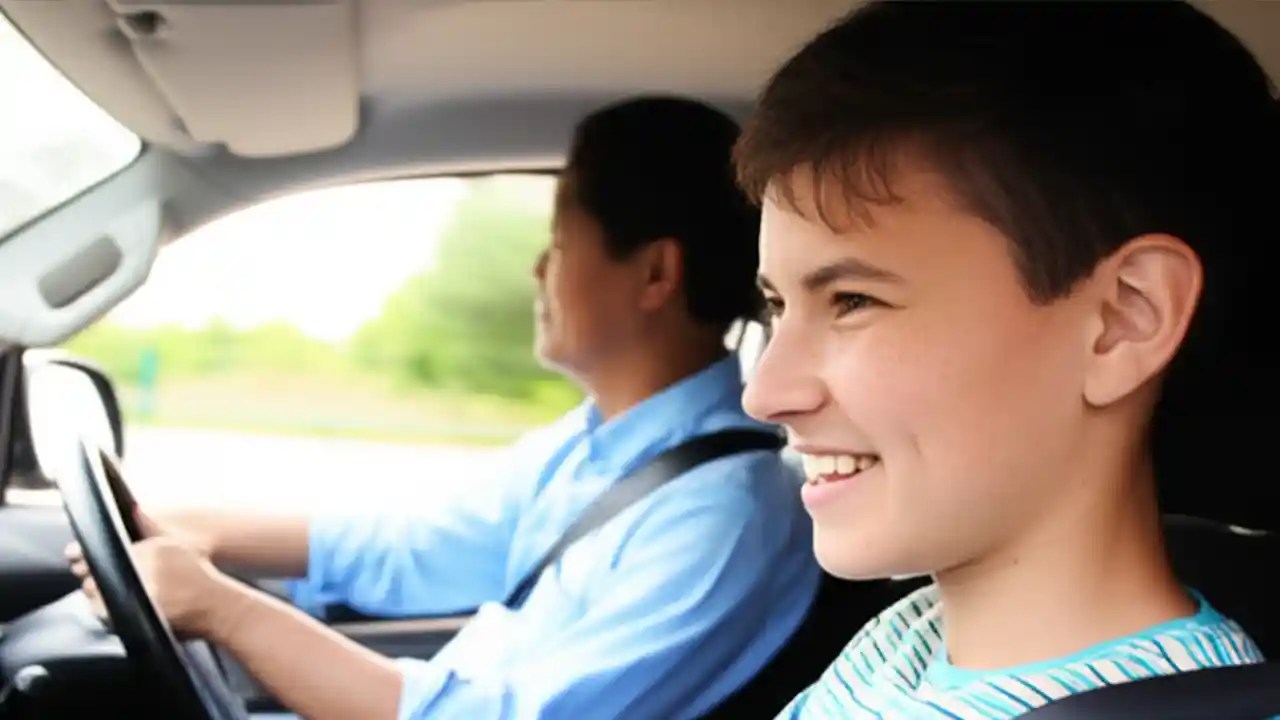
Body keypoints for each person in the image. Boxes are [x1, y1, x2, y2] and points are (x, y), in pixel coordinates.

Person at [69, 96, 819, 720]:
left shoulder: (726, 514)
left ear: (655, 272)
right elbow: (415, 548)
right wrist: (204, 532)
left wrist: (223, 611)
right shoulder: (600, 444)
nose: (537, 269)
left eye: (559, 241)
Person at [732, 2, 1276, 717]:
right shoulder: (903, 642)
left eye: (854, 300)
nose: (765, 393)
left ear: (1123, 321)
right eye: (777, 307)